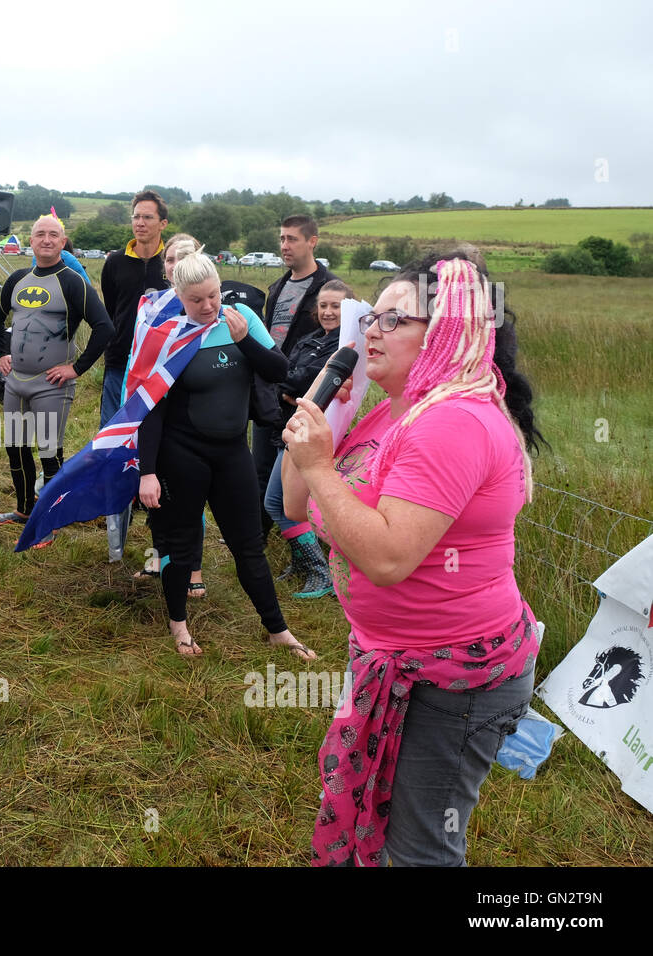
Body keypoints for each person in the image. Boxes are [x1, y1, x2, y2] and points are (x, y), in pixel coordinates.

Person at [279, 250, 544, 866]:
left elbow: (389, 559)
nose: (370, 329)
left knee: (422, 848)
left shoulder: (451, 422)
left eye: (395, 320)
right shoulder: (390, 414)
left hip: (452, 676)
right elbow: (295, 503)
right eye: (372, 315)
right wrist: (329, 410)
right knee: (396, 822)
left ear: (449, 330)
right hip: (388, 653)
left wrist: (322, 463)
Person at [137, 251, 310, 660]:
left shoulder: (241, 319)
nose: (208, 306)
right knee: (181, 547)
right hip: (181, 454)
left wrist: (243, 340)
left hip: (232, 451)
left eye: (213, 295)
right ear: (179, 296)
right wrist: (147, 472)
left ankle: (277, 629)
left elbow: (277, 370)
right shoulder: (168, 332)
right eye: (196, 300)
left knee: (248, 544)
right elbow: (151, 407)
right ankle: (179, 626)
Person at [0, 214, 111, 527]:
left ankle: (50, 520)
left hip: (51, 385)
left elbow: (104, 327)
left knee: (48, 452)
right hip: (16, 382)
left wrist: (76, 369)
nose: (46, 239)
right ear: (31, 240)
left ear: (62, 241)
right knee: (15, 447)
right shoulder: (17, 279)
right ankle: (24, 511)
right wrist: (0, 355)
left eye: (53, 234)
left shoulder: (72, 281)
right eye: (40, 233)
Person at [127, 233, 207, 595]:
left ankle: (193, 570)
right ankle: (155, 559)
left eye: (186, 257)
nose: (178, 264)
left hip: (189, 414)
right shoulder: (151, 306)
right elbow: (137, 359)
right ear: (165, 265)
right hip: (152, 409)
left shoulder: (206, 308)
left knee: (191, 499)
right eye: (172, 259)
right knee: (152, 488)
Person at [263, 279, 353, 599]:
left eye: (336, 306)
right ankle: (305, 563)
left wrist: (291, 387)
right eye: (324, 306)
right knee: (284, 502)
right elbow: (283, 376)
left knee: (279, 502)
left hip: (310, 435)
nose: (328, 312)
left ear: (351, 310)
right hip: (290, 427)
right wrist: (289, 388)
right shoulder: (310, 339)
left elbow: (301, 380)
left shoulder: (346, 347)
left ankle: (320, 570)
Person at [253, 214, 338, 536]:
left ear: (312, 241)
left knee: (295, 476)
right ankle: (260, 532)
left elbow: (337, 345)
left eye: (292, 239)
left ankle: (307, 544)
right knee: (258, 466)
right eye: (282, 239)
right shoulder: (278, 286)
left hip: (302, 397)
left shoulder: (328, 291)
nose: (284, 246)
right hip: (268, 390)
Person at [100, 189, 169, 428]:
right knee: (111, 431)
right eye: (136, 217)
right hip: (120, 360)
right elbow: (111, 311)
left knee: (156, 432)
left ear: (163, 223)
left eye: (147, 217)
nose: (140, 223)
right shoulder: (115, 262)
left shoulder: (173, 263)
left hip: (163, 364)